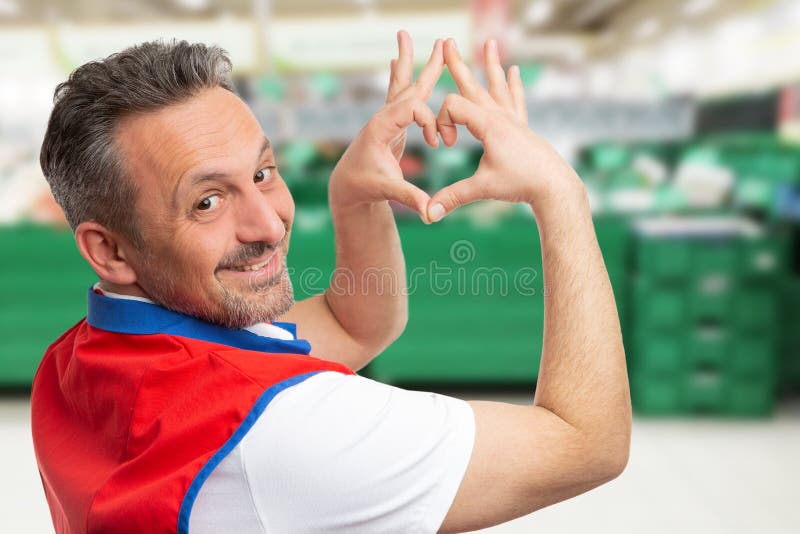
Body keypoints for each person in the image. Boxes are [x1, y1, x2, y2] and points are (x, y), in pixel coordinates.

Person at [31, 31, 631, 534]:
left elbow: (355, 324)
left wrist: (353, 195)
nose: (268, 224)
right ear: (107, 249)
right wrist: (560, 194)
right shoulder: (290, 433)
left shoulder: (78, 362)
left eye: (263, 173)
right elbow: (587, 444)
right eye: (208, 201)